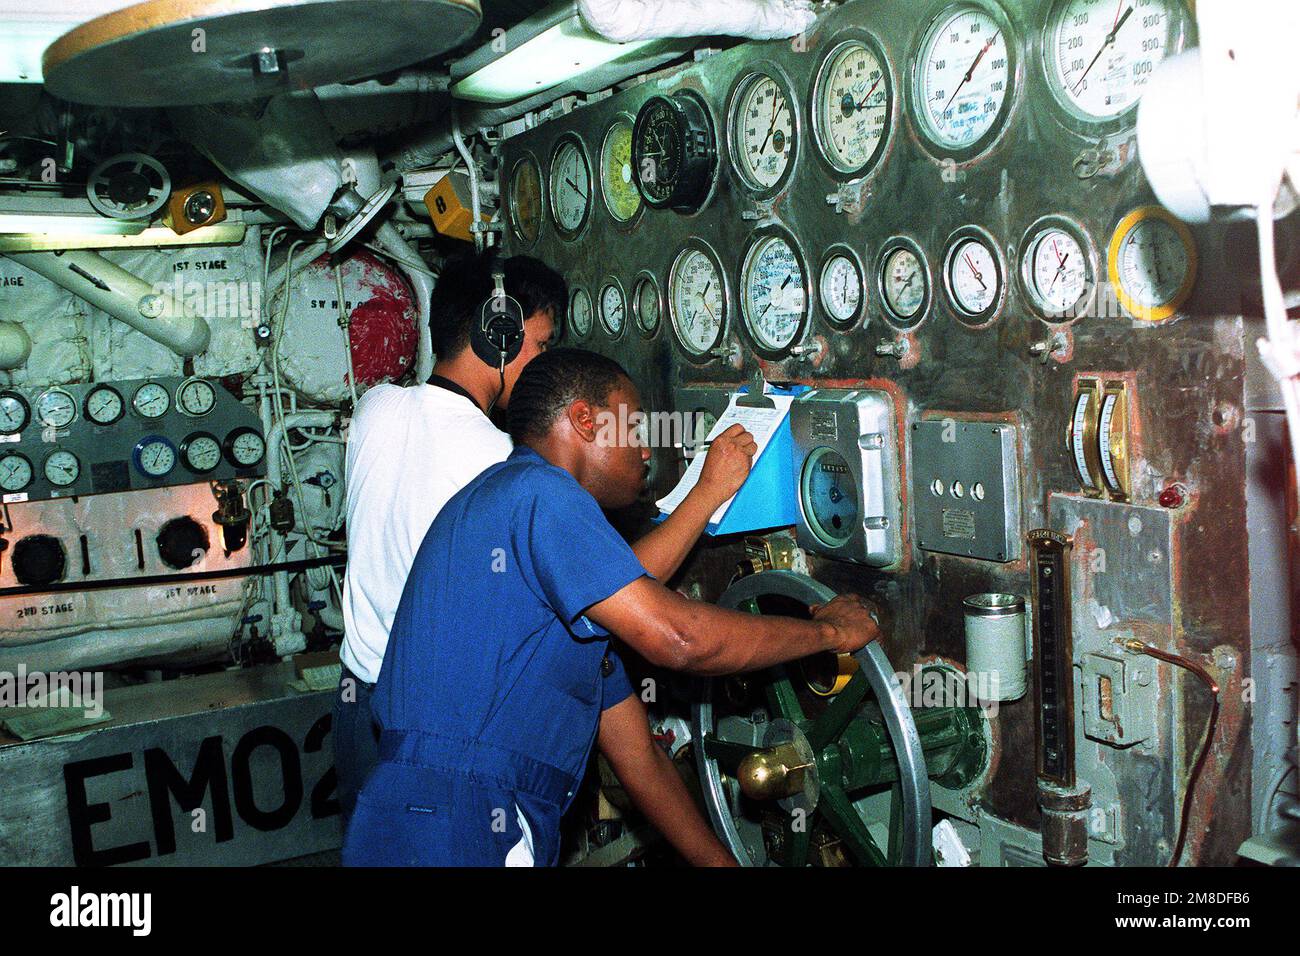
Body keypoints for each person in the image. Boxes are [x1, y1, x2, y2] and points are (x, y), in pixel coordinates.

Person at [342, 348, 881, 866]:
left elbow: (639, 759)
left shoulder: (527, 538)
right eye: (635, 428)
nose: (647, 450)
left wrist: (719, 863)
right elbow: (679, 638)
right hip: (463, 815)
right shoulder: (539, 494)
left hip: (425, 815)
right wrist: (827, 633)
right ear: (583, 420)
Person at [334, 251, 760, 827]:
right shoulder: (505, 469)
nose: (543, 365)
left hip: (360, 709)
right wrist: (707, 492)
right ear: (498, 334)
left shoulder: (375, 409)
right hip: (448, 729)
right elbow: (618, 589)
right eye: (540, 345)